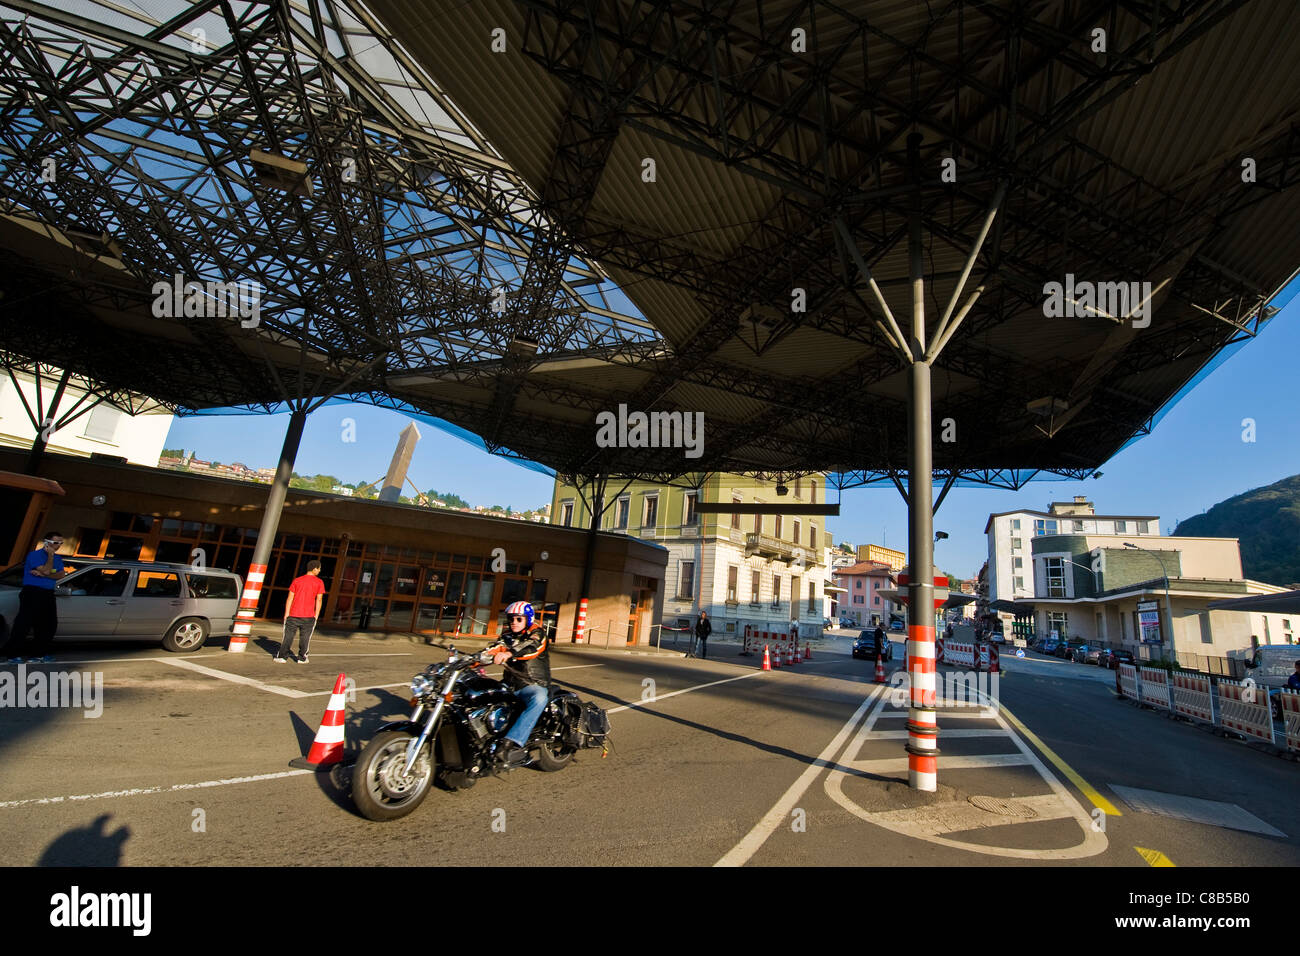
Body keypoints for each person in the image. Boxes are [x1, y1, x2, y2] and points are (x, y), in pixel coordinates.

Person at [487, 601, 551, 767]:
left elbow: (531, 647)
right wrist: (474, 661)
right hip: (510, 684)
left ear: (528, 619)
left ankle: (513, 742)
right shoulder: (507, 636)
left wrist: (509, 653)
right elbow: (495, 648)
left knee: (539, 698)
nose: (514, 622)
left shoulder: (537, 633)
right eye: (511, 619)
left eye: (519, 619)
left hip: (532, 684)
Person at [6, 532, 70, 663]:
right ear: (47, 542)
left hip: (47, 593)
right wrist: (50, 560)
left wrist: (45, 573)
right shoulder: (34, 555)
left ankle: (38, 654)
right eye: (56, 543)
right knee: (24, 623)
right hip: (32, 592)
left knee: (49, 624)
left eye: (60, 543)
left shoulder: (58, 558)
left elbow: (61, 574)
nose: (58, 546)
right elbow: (48, 570)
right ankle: (13, 654)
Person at [274, 559, 325, 663]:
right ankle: (302, 658)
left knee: (288, 636)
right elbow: (319, 599)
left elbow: (290, 598)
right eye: (319, 569)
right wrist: (316, 615)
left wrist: (286, 613)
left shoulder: (297, 580)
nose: (319, 571)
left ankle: (282, 657)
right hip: (309, 616)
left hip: (293, 614)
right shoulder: (319, 582)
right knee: (305, 638)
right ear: (314, 569)